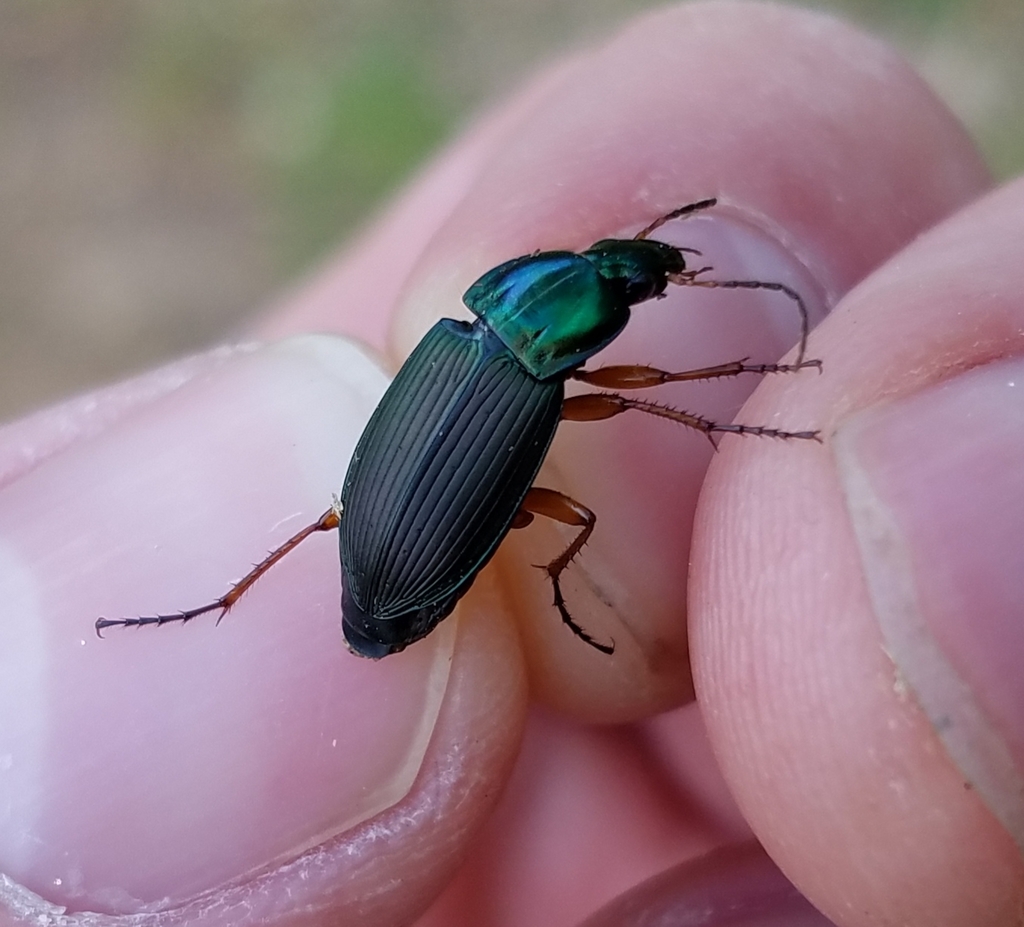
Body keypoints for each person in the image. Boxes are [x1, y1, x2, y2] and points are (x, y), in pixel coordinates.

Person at [0, 3, 1019, 925]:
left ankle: (218, 603)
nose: (639, 279)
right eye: (630, 287)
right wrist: (741, 394)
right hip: (409, 572)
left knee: (363, 509)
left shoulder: (453, 338)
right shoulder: (536, 379)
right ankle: (218, 605)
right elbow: (645, 387)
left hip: (393, 549)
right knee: (586, 493)